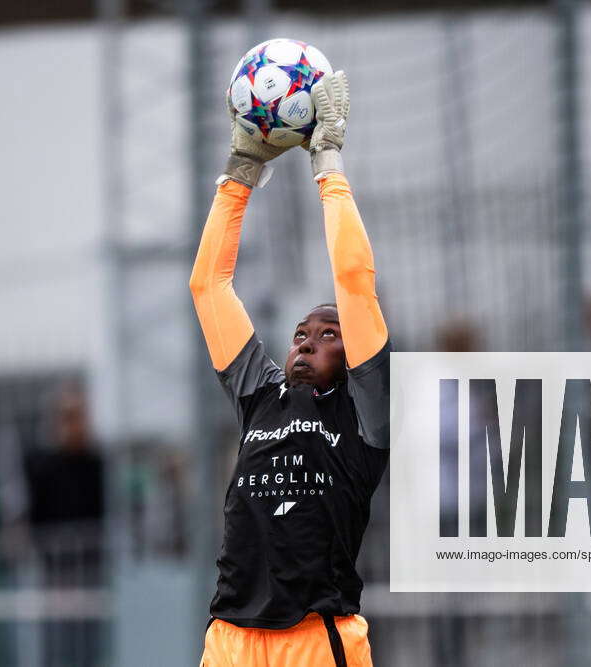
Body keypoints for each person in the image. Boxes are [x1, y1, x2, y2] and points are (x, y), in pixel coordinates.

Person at [190, 70, 389, 667]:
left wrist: (327, 162)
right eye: (301, 333)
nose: (307, 342)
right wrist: (240, 172)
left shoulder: (364, 413)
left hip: (316, 637)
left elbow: (354, 283)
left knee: (349, 294)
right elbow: (209, 286)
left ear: (352, 356)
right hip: (230, 636)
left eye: (330, 335)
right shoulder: (260, 395)